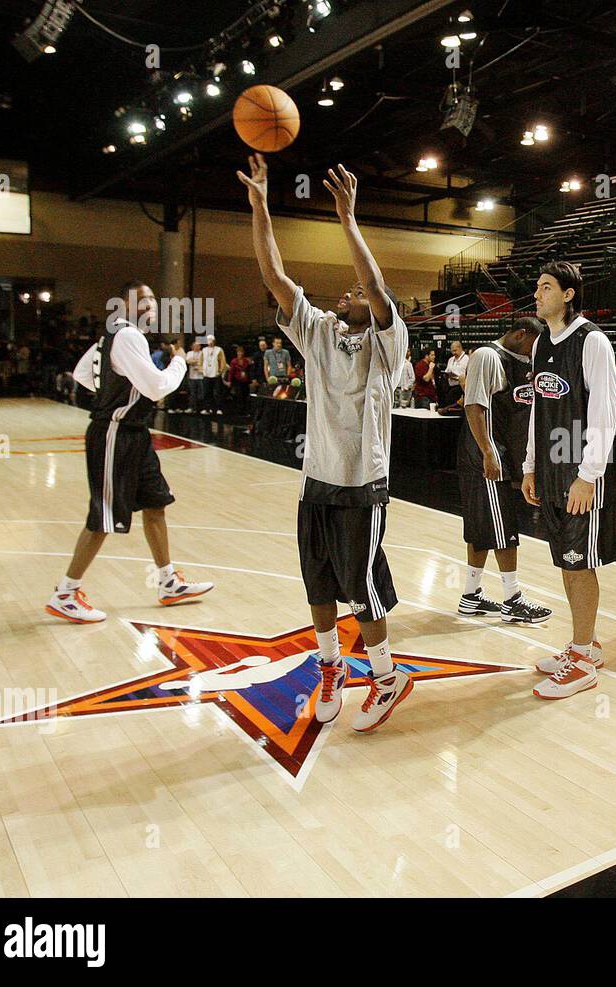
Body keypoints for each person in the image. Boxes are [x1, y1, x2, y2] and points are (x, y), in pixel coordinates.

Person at [239, 154, 411, 733]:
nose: (349, 294)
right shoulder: (318, 333)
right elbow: (274, 277)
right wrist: (261, 206)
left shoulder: (389, 343)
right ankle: (331, 666)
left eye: (357, 293)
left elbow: (375, 284)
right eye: (348, 292)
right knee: (317, 582)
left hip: (363, 482)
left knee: (359, 586)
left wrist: (347, 218)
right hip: (318, 476)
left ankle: (387, 676)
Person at [44, 281, 214, 623]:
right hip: (114, 434)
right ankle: (65, 593)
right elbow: (156, 388)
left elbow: (82, 375)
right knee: (104, 516)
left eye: (153, 298)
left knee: (155, 503)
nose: (150, 303)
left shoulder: (112, 336)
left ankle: (168, 582)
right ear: (123, 304)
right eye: (142, 298)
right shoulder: (127, 335)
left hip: (133, 433)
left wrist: (113, 387)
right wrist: (179, 363)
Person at [521, 260, 616, 700]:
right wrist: (529, 465)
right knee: (566, 559)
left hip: (582, 473)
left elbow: (606, 410)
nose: (537, 294)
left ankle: (582, 660)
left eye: (546, 287)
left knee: (580, 562)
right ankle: (586, 644)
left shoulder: (592, 341)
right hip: (550, 469)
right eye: (537, 287)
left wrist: (588, 475)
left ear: (568, 294)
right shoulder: (541, 342)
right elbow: (536, 410)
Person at [457, 316, 553, 625]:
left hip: (500, 454)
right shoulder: (489, 355)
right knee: (503, 529)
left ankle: (471, 596)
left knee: (482, 527)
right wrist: (488, 452)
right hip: (487, 456)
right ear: (520, 334)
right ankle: (512, 599)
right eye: (533, 343)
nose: (534, 350)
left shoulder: (519, 362)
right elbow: (474, 406)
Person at [200, 334, 226, 414]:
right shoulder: (204, 350)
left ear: (214, 341)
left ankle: (218, 408)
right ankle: (207, 408)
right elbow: (200, 361)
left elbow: (222, 361)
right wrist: (202, 371)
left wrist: (220, 371)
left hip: (216, 374)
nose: (210, 343)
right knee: (207, 392)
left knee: (217, 392)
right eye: (208, 341)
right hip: (206, 374)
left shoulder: (219, 350)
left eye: (211, 341)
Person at [444, 340, 469, 406]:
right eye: (452, 351)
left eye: (455, 350)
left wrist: (457, 377)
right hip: (450, 386)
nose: (454, 353)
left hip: (460, 387)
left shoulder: (466, 359)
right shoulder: (451, 359)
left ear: (460, 348)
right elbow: (447, 370)